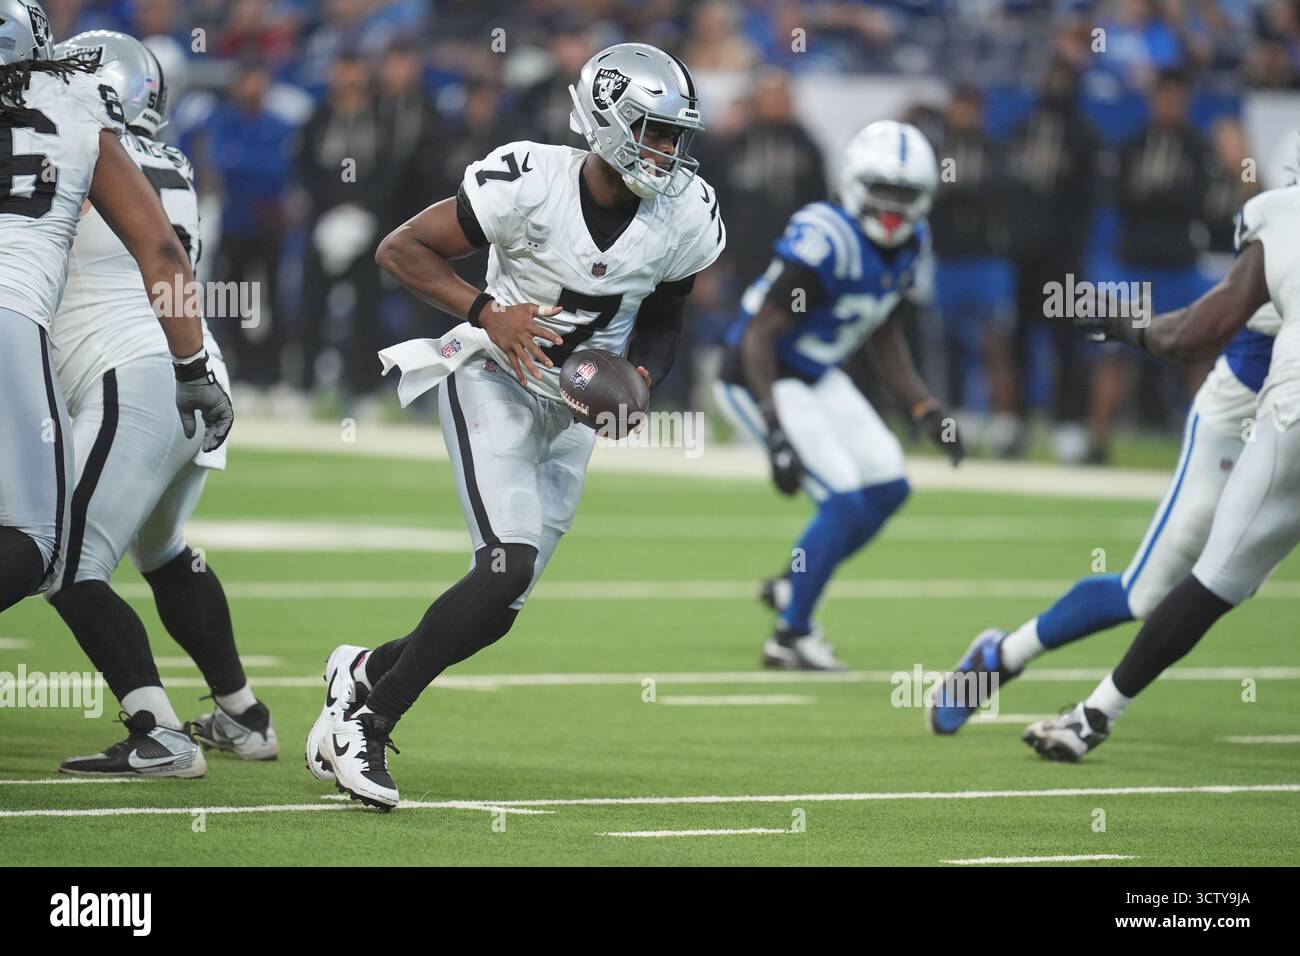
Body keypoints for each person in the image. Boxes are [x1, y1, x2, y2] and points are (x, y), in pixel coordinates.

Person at [305, 43, 726, 810]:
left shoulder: (684, 214)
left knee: (499, 608)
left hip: (571, 412)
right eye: (653, 131)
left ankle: (362, 671)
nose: (667, 150)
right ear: (605, 122)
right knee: (507, 566)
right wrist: (487, 312)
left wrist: (640, 384)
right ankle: (364, 722)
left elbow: (665, 322)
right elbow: (402, 250)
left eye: (675, 134)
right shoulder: (533, 180)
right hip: (492, 377)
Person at [47, 31, 275, 776]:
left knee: (66, 560)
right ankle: (242, 715)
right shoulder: (170, 161)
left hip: (138, 374)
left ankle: (159, 731)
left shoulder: (76, 146)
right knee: (164, 552)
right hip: (193, 372)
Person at [1019, 178, 1300, 761]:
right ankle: (1041, 680)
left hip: (1289, 424)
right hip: (1243, 407)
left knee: (1212, 582)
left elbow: (1194, 335)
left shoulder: (1280, 215)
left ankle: (1093, 716)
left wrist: (1122, 324)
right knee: (1169, 578)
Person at [0, 1, 230, 618]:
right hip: (45, 322)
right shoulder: (86, 111)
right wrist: (194, 367)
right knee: (50, 544)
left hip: (98, 355)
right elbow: (164, 253)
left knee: (67, 552)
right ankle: (226, 710)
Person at [716, 120, 963, 672]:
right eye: (884, 191)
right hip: (761, 374)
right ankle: (791, 636)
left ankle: (793, 583)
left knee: (889, 487)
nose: (894, 207)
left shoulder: (910, 243)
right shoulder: (825, 238)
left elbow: (884, 330)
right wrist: (775, 429)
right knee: (844, 500)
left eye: (907, 195)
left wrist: (924, 408)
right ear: (854, 183)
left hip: (817, 371)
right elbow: (758, 335)